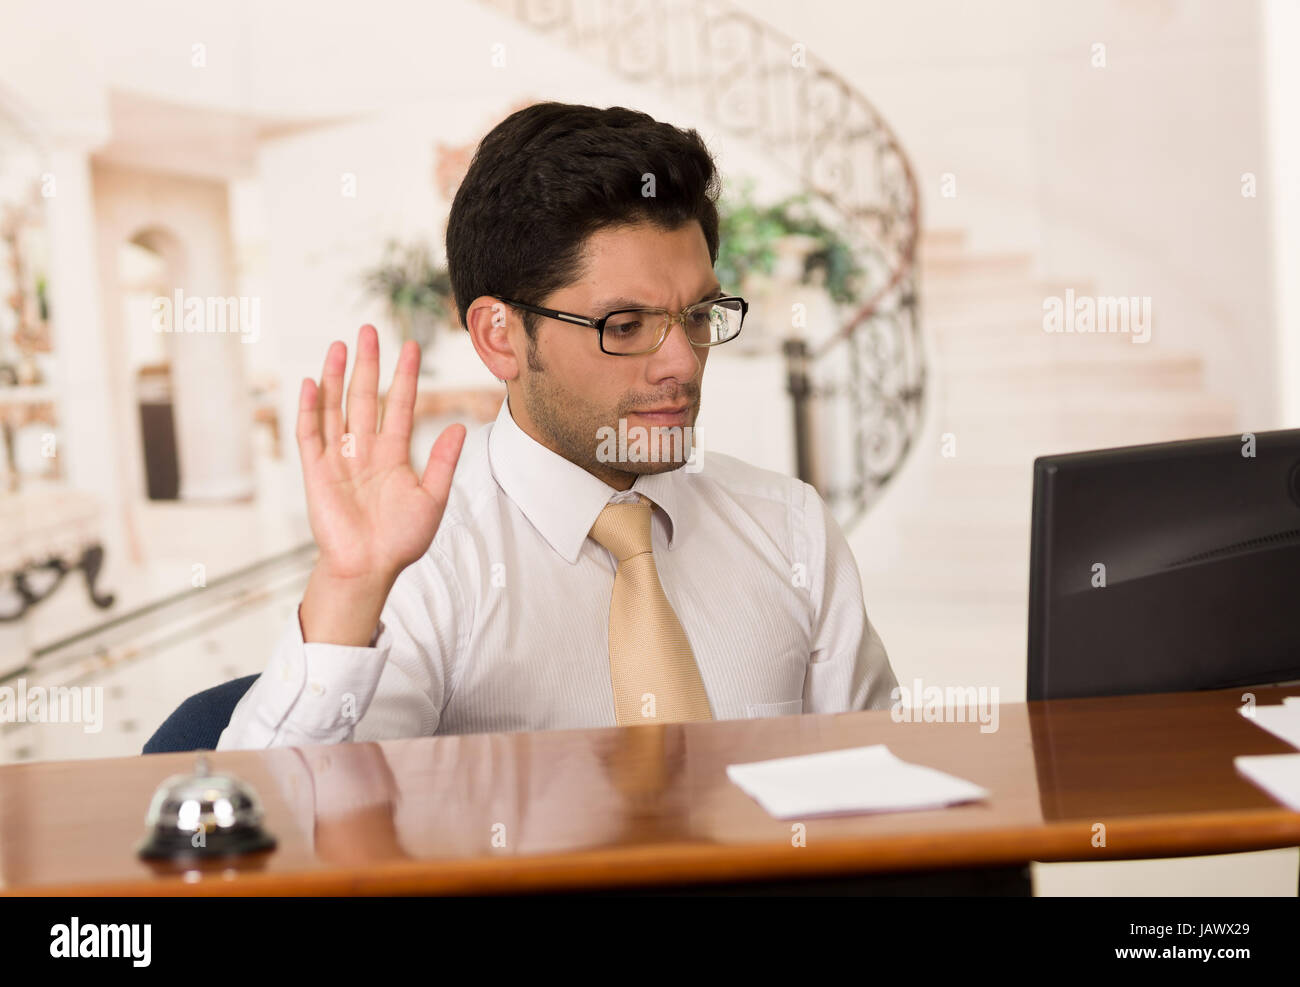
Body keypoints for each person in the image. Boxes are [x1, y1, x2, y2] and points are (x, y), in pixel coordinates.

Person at [217, 101, 897, 749]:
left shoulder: (790, 526)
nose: (681, 363)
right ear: (499, 336)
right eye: (624, 326)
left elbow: (882, 795)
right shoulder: (425, 562)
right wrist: (350, 586)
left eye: (697, 315)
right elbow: (274, 822)